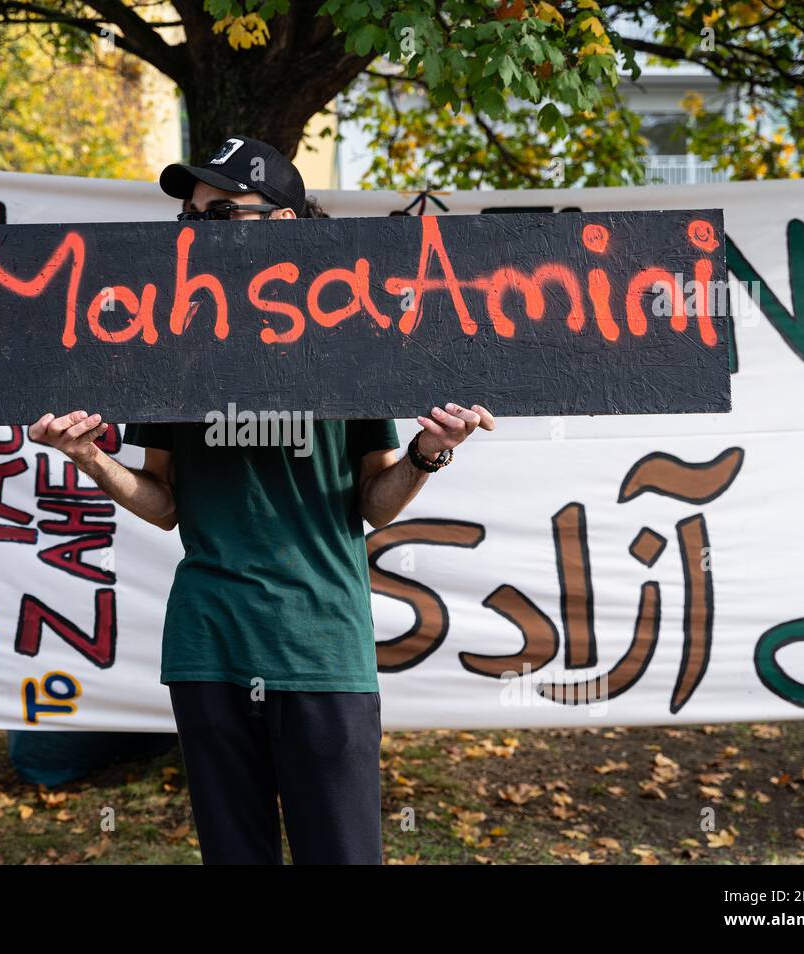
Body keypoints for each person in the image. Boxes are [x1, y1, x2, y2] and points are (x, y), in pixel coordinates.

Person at [28, 135, 495, 864]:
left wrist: (428, 453)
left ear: (282, 225)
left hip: (322, 649)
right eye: (191, 218)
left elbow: (374, 502)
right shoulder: (169, 342)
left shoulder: (352, 340)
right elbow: (165, 501)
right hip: (209, 648)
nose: (198, 232)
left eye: (220, 216)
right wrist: (91, 460)